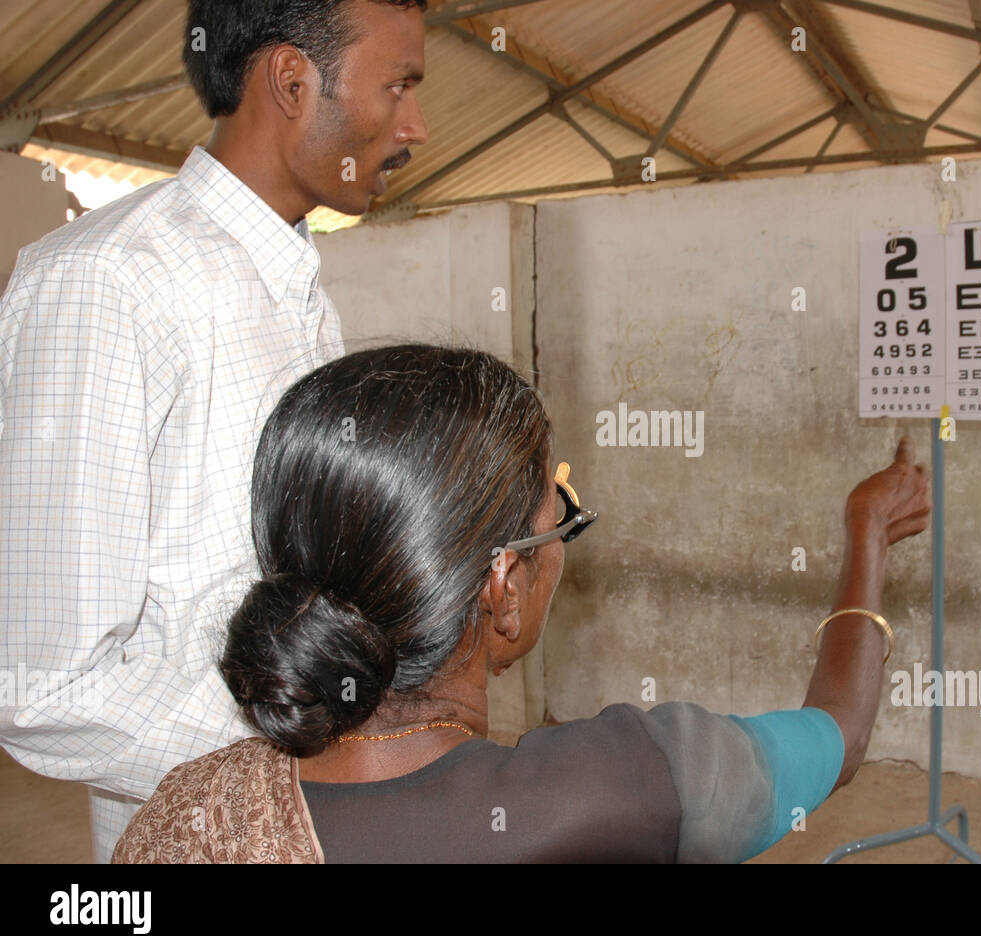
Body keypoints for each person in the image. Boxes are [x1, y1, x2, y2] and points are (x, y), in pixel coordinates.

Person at [113, 345, 931, 863]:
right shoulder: (631, 786)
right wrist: (867, 536)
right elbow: (838, 737)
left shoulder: (187, 815)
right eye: (558, 519)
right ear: (504, 592)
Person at [0, 0, 429, 862]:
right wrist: (304, 754)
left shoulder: (296, 291)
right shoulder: (108, 283)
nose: (416, 126)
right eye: (399, 87)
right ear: (292, 81)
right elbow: (40, 684)